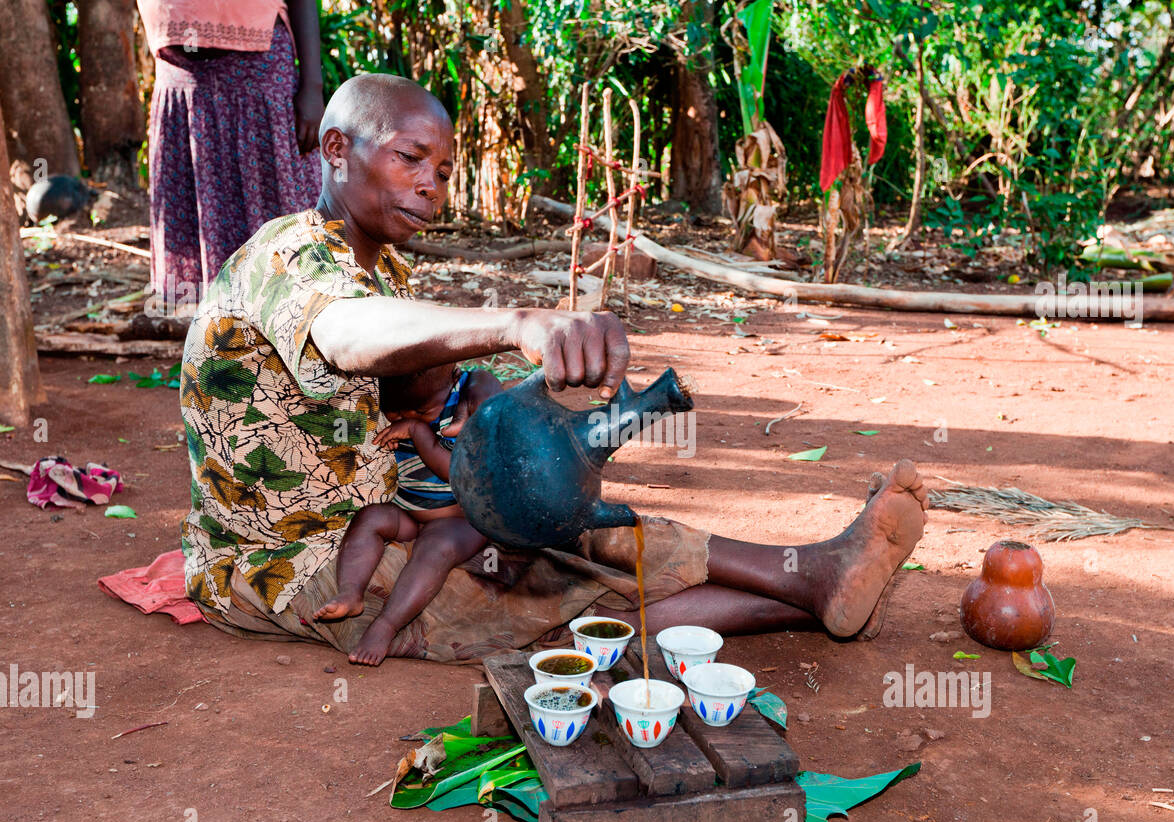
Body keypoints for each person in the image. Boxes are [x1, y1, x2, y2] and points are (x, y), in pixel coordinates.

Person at [179, 73, 929, 664]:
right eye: (410, 158)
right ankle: (811, 593)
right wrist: (515, 323)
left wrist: (494, 396)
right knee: (537, 601)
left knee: (564, 530)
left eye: (443, 168)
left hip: (387, 521)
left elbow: (416, 378)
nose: (431, 184)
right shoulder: (289, 253)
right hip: (294, 562)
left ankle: (818, 576)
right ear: (336, 149)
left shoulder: (385, 275)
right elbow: (346, 335)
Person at [138, 0, 324, 314]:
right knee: (205, 209)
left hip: (259, 68)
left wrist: (313, 86)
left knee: (277, 208)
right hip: (180, 73)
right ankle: (220, 338)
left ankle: (299, 329)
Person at [313, 364, 502, 665]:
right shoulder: (410, 399)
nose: (404, 418)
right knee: (370, 517)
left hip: (460, 518)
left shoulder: (465, 403)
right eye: (396, 412)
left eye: (419, 410)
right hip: (409, 512)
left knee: (437, 549)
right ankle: (350, 594)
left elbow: (456, 473)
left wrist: (418, 432)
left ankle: (386, 625)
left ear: (453, 379)